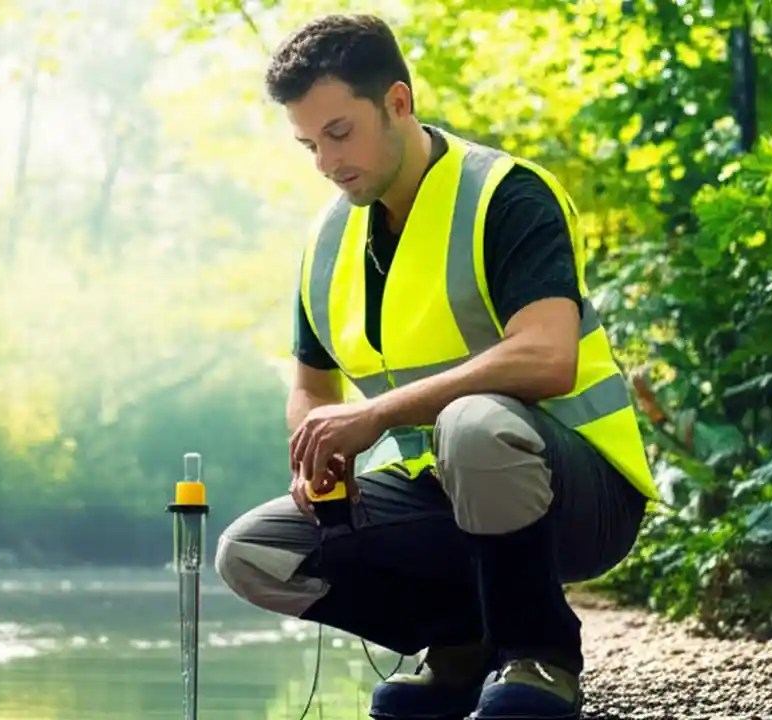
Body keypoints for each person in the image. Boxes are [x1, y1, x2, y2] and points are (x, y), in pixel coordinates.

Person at [213, 13, 661, 720]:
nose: (327, 163)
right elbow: (310, 382)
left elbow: (548, 355)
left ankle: (540, 657)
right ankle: (461, 645)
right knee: (255, 553)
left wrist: (376, 415)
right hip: (443, 497)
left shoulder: (506, 196)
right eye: (308, 145)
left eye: (339, 133)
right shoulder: (326, 241)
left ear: (397, 102)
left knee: (474, 424)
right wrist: (315, 453)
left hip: (580, 497)